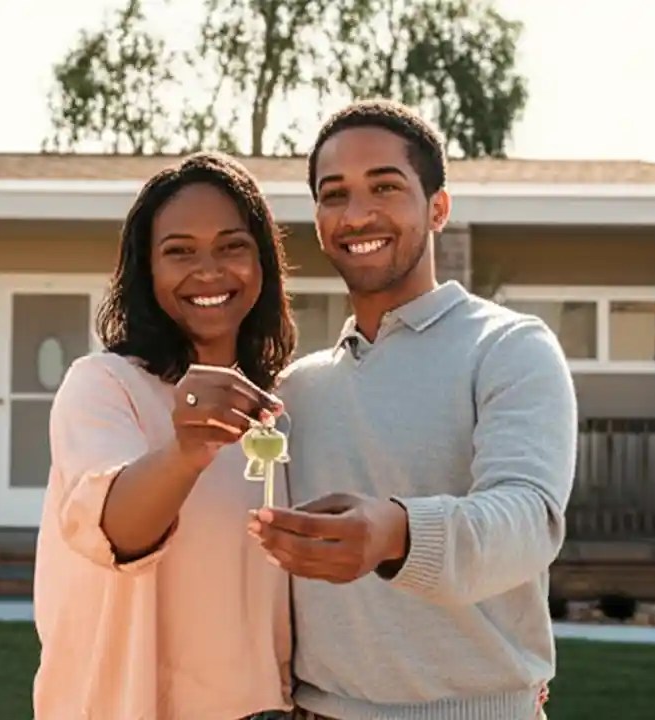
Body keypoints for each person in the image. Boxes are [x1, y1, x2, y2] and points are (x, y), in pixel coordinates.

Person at [248, 98, 575, 719]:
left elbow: (528, 521)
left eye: (385, 187)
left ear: (439, 208)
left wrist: (395, 534)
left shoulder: (509, 347)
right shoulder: (295, 391)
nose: (358, 213)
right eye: (333, 194)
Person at [32, 151, 298, 720]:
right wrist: (186, 451)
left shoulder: (280, 409)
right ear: (146, 271)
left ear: (263, 264)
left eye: (232, 246)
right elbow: (118, 531)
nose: (209, 270)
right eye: (179, 251)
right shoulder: (104, 386)